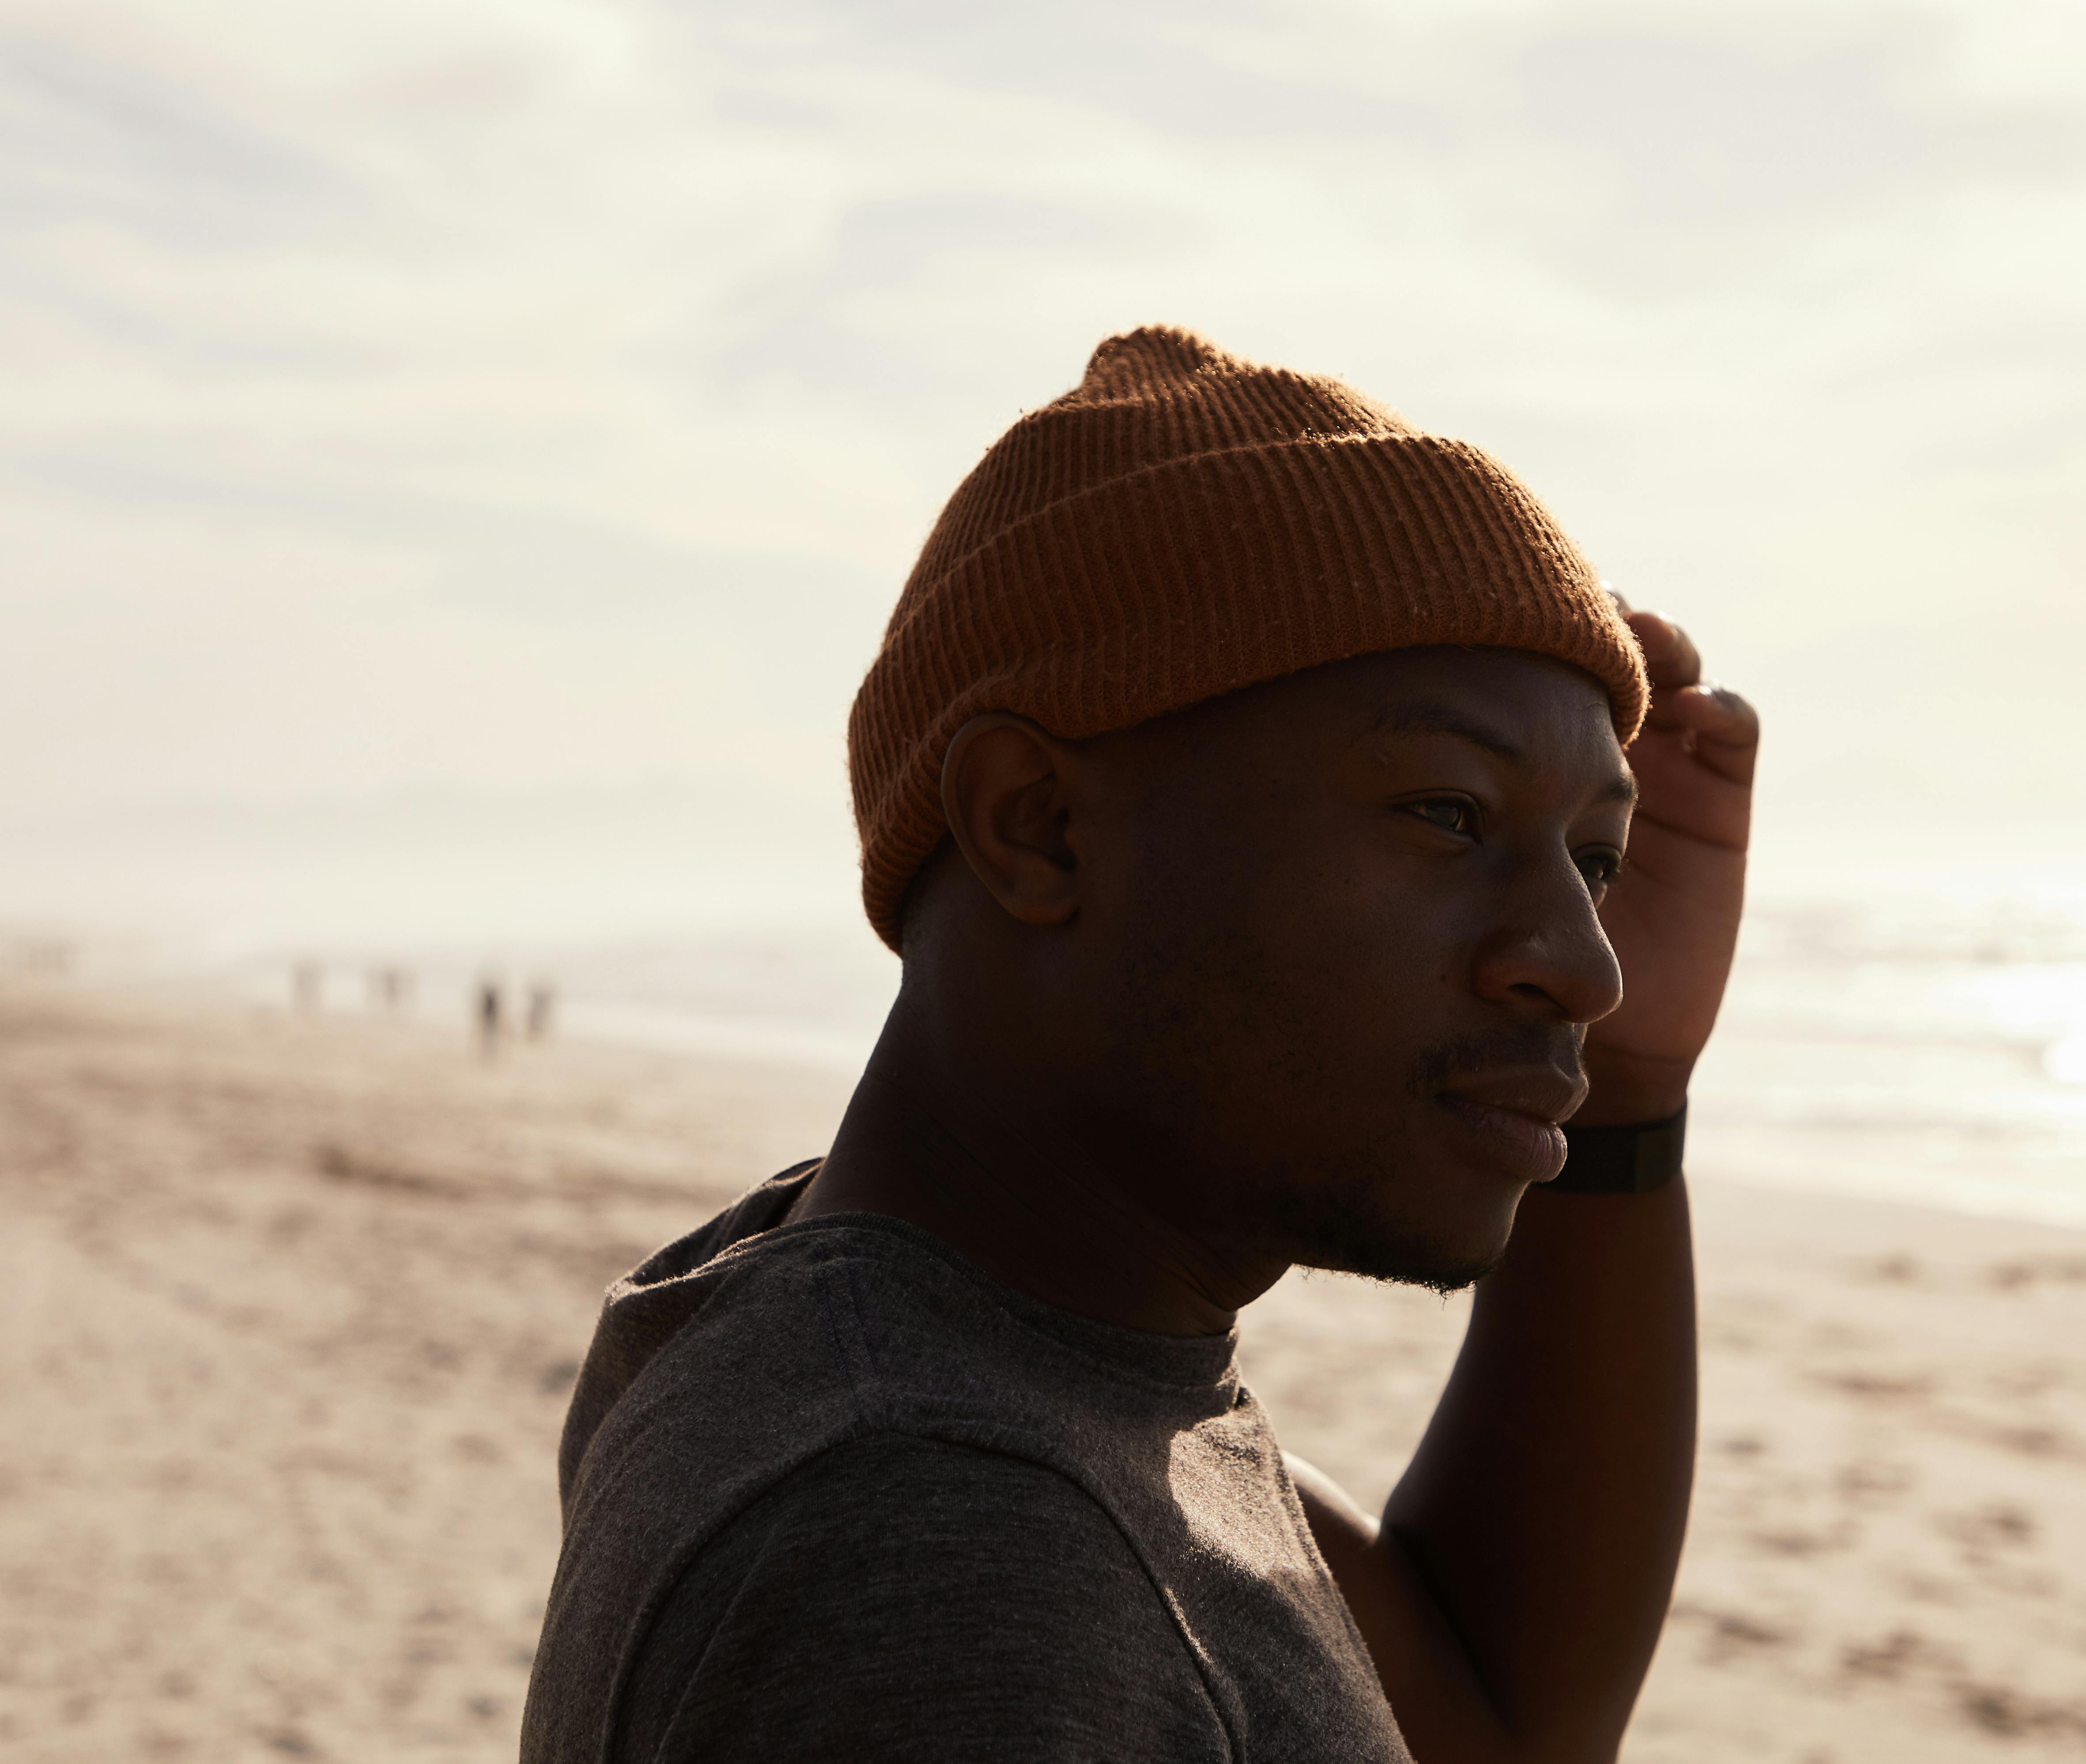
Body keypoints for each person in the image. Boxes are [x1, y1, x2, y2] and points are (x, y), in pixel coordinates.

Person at [523, 327, 1757, 1763]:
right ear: (1034, 825)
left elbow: (1492, 1727)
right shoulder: (949, 1535)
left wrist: (1628, 1100)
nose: (1583, 966)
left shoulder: (972, 1360)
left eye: (1593, 863)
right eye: (1447, 812)